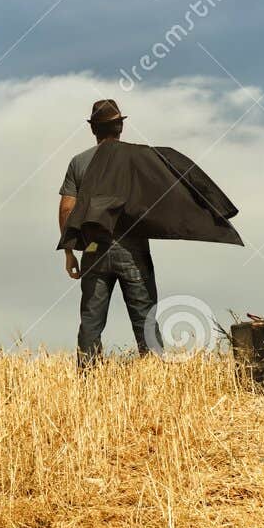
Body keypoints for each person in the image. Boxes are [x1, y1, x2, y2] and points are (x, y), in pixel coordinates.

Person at [58, 99, 161, 368]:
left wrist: (69, 252)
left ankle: (88, 379)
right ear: (120, 127)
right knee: (145, 319)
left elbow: (67, 209)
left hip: (94, 249)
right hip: (134, 249)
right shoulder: (138, 158)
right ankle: (155, 378)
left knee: (91, 321)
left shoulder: (78, 162)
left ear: (93, 129)